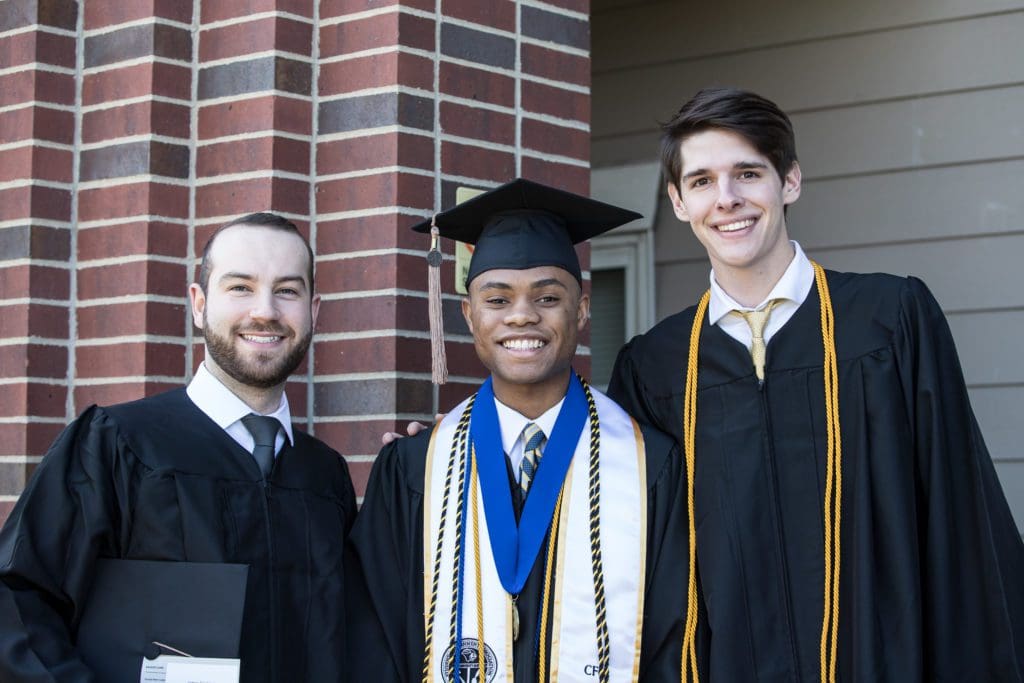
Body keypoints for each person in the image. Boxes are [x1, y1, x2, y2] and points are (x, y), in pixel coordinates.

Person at [608, 87, 1024, 681]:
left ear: (790, 181)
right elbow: (621, 537)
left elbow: (961, 515)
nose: (726, 200)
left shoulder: (890, 320)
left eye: (747, 173)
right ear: (677, 201)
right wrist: (448, 454)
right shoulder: (654, 368)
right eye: (701, 181)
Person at [346, 179, 689, 683]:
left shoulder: (650, 467)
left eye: (548, 297)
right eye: (497, 299)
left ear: (582, 310)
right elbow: (372, 638)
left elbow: (674, 642)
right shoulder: (415, 469)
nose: (523, 316)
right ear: (468, 315)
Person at [0, 213, 357, 682]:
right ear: (199, 303)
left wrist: (422, 467)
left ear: (313, 312)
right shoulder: (117, 445)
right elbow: (19, 601)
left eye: (288, 290)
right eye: (240, 287)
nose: (265, 310)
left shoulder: (324, 475)